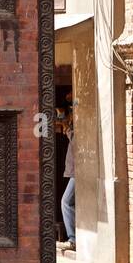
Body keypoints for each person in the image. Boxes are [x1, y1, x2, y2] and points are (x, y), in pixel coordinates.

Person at [60, 102, 77, 249]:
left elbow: (74, 139)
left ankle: (73, 239)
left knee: (66, 202)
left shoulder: (77, 129)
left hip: (78, 172)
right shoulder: (72, 128)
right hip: (76, 171)